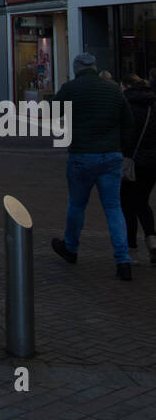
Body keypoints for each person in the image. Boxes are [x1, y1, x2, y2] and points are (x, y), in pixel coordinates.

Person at [51, 53, 137, 279]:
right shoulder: (112, 89)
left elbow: (52, 111)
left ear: (76, 68)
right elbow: (128, 123)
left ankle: (70, 247)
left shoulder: (71, 88)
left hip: (82, 155)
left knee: (77, 204)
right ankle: (123, 259)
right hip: (111, 156)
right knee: (113, 207)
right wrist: (120, 147)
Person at [119, 74, 156, 263]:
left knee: (127, 204)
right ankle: (152, 241)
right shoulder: (153, 103)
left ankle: (131, 246)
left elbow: (124, 136)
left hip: (132, 162)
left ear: (127, 87)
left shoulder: (127, 106)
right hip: (152, 163)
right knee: (143, 202)